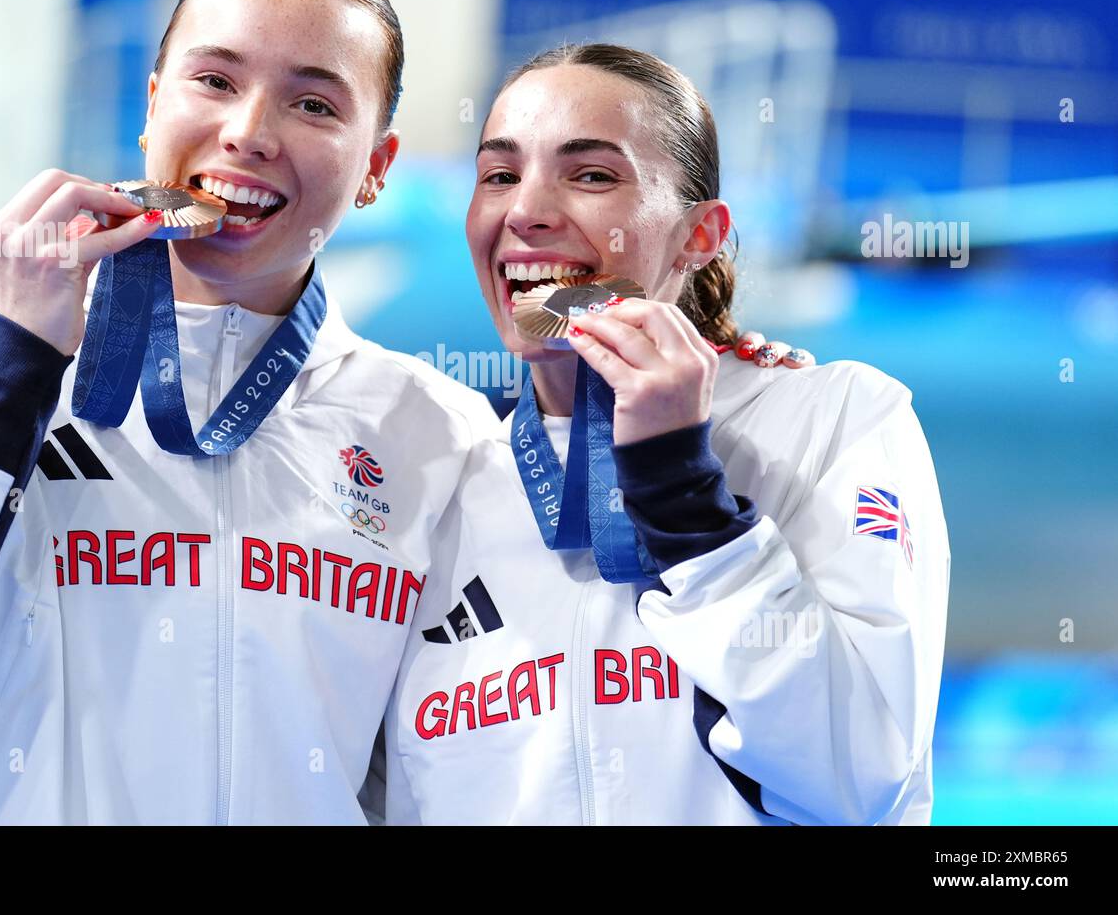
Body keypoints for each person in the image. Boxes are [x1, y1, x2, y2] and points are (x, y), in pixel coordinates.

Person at [0, 0, 500, 824]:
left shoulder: (435, 431)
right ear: (151, 101)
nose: (250, 130)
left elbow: (448, 780)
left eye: (315, 103)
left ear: (377, 164)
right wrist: (14, 364)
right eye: (214, 80)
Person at [372, 44, 951, 825]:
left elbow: (861, 779)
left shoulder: (830, 418)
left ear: (699, 235)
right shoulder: (441, 478)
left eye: (592, 175)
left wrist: (688, 502)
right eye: (500, 175)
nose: (526, 211)